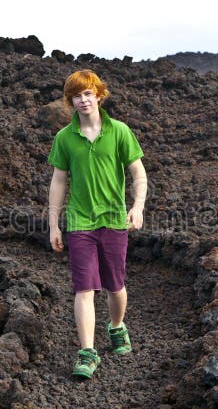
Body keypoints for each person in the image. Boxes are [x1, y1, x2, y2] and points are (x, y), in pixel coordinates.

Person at [47, 69, 148, 379]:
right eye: (76, 96)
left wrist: (138, 206)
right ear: (70, 101)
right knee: (84, 289)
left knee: (115, 286)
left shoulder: (119, 132)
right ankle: (88, 352)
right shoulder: (65, 138)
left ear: (99, 96)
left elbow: (138, 173)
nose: (82, 100)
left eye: (88, 94)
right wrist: (54, 224)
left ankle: (116, 327)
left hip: (114, 220)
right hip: (80, 222)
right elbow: (58, 182)